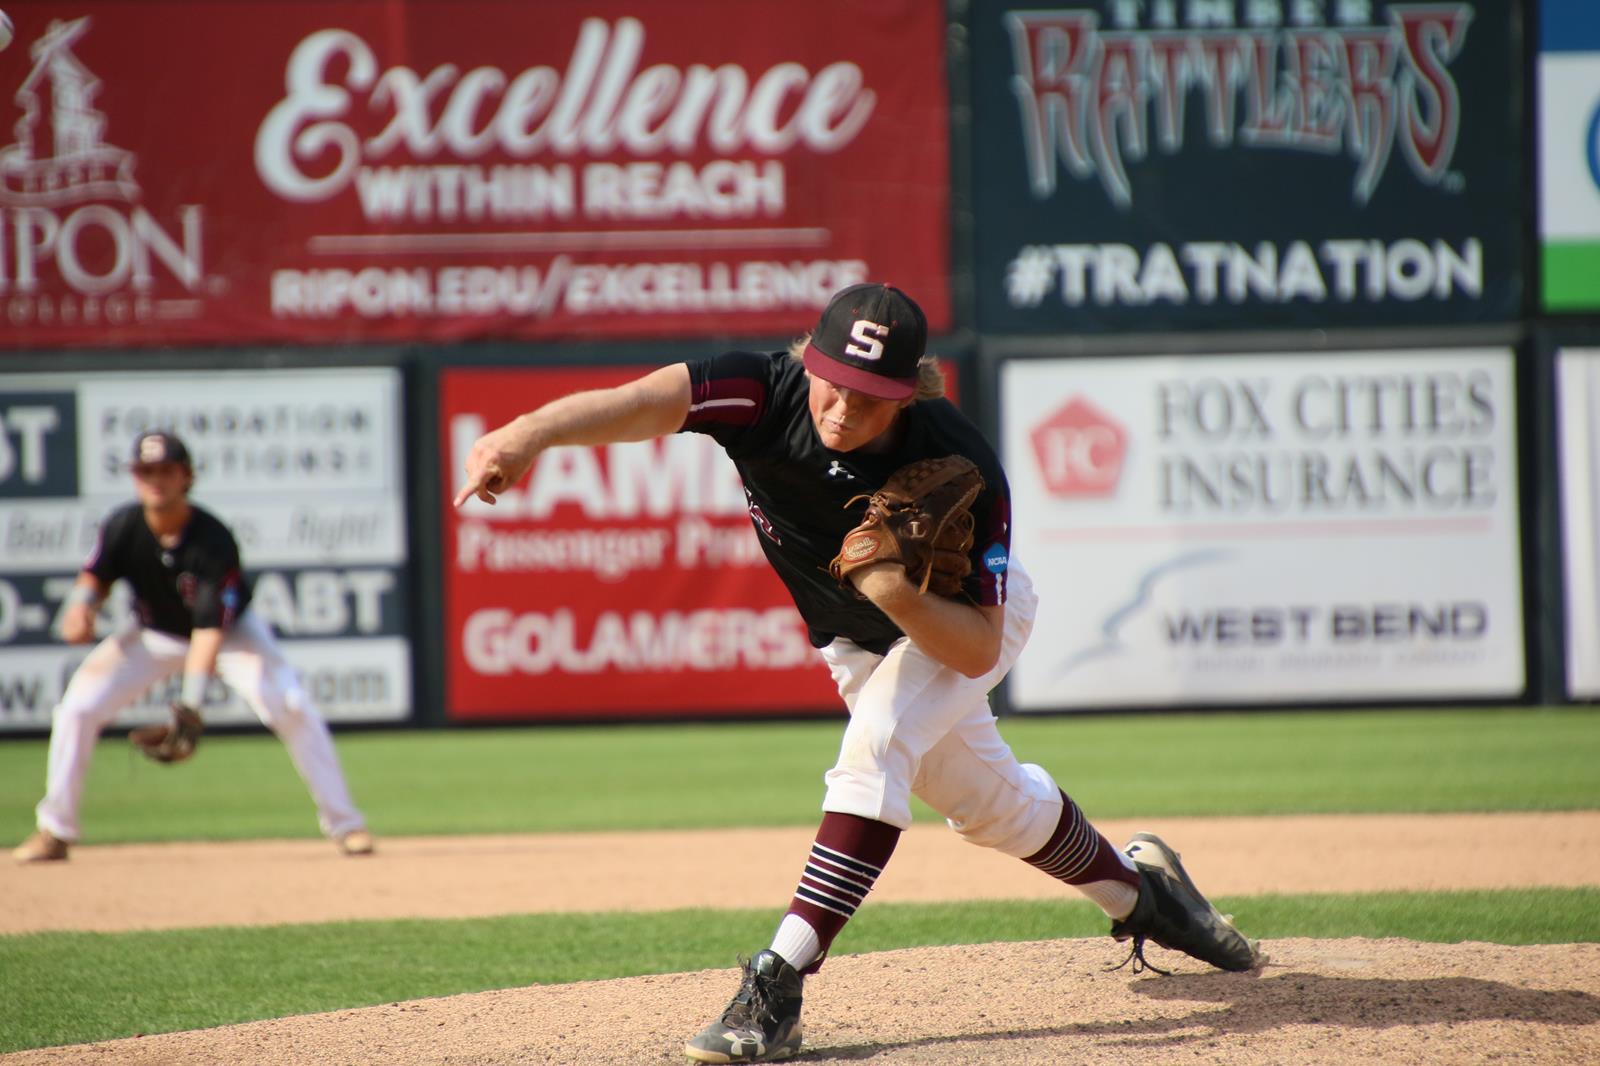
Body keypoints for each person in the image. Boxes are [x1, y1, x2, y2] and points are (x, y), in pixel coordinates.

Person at [454, 283, 1261, 1064]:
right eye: (833, 385)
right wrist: (526, 435)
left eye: (870, 397)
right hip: (855, 645)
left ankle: (778, 984)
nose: (843, 410)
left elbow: (978, 650)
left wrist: (892, 587)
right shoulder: (760, 392)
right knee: (992, 808)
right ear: (808, 359)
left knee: (875, 748)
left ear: (908, 393)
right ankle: (1146, 895)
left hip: (960, 628)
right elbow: (644, 401)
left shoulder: (958, 459)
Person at [12, 431, 375, 863]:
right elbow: (96, 574)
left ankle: (346, 825)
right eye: (146, 471)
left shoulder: (211, 539)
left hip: (231, 637)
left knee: (292, 705)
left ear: (186, 476)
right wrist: (79, 606)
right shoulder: (124, 525)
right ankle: (55, 831)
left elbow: (208, 630)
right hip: (154, 635)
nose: (156, 480)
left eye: (167, 470)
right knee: (77, 708)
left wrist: (191, 704)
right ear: (134, 477)